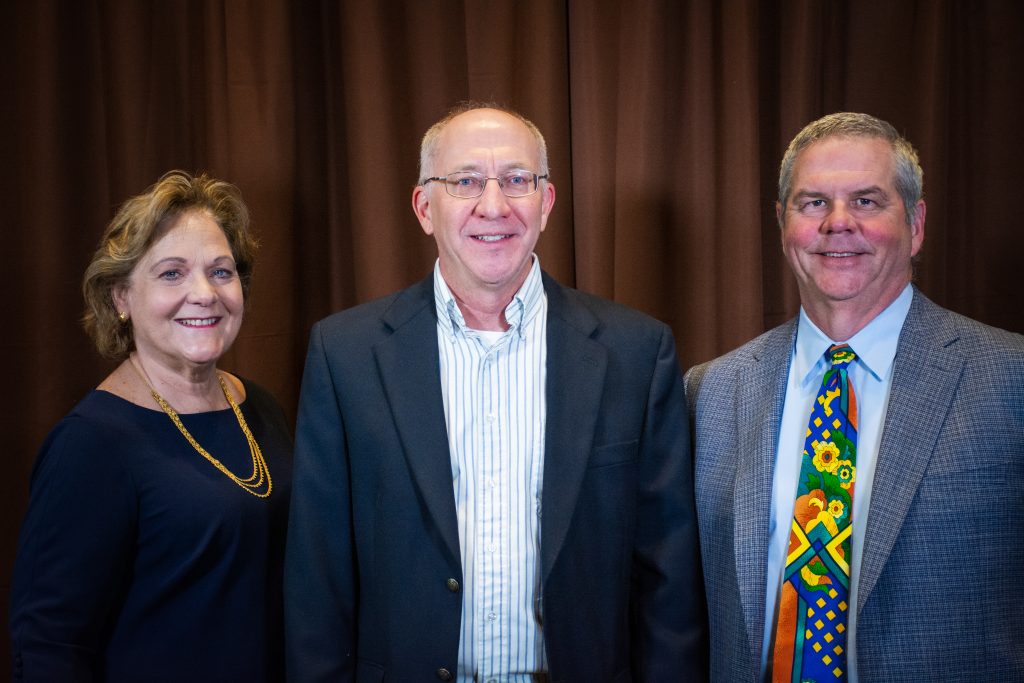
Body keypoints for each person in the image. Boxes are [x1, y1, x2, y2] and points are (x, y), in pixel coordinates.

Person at [284, 103, 708, 681]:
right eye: (464, 182)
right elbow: (317, 576)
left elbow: (668, 578)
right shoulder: (345, 355)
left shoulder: (635, 352)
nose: (494, 205)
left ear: (546, 203)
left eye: (516, 180)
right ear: (423, 208)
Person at [685, 112, 1024, 681]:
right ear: (782, 222)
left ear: (915, 224)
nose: (837, 224)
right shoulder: (712, 391)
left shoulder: (1009, 376)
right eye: (813, 203)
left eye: (866, 201)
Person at [9, 171, 293, 682]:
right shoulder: (90, 444)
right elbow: (50, 645)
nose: (204, 294)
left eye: (221, 272)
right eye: (171, 274)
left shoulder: (261, 408)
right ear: (121, 298)